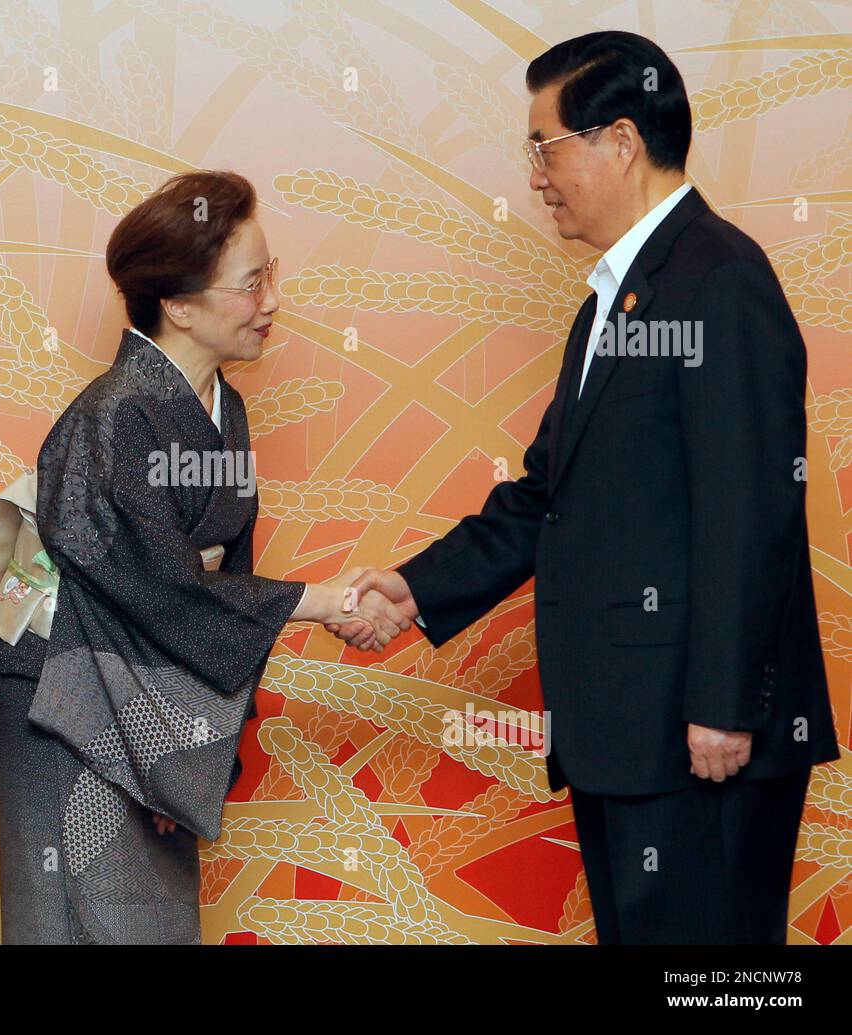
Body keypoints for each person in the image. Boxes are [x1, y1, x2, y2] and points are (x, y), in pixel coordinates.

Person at [341, 31, 840, 944]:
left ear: (619, 141)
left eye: (544, 146)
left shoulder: (719, 281)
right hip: (627, 731)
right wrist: (414, 586)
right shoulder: (612, 300)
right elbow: (548, 494)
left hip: (700, 737)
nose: (535, 176)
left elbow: (752, 511)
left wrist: (724, 706)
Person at [0, 170, 407, 943]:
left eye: (270, 275)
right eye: (251, 283)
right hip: (68, 690)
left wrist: (180, 754)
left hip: (145, 696)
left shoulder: (223, 407)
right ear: (177, 304)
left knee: (147, 918)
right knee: (82, 916)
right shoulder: (114, 413)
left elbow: (219, 580)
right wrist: (326, 600)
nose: (272, 300)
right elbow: (160, 587)